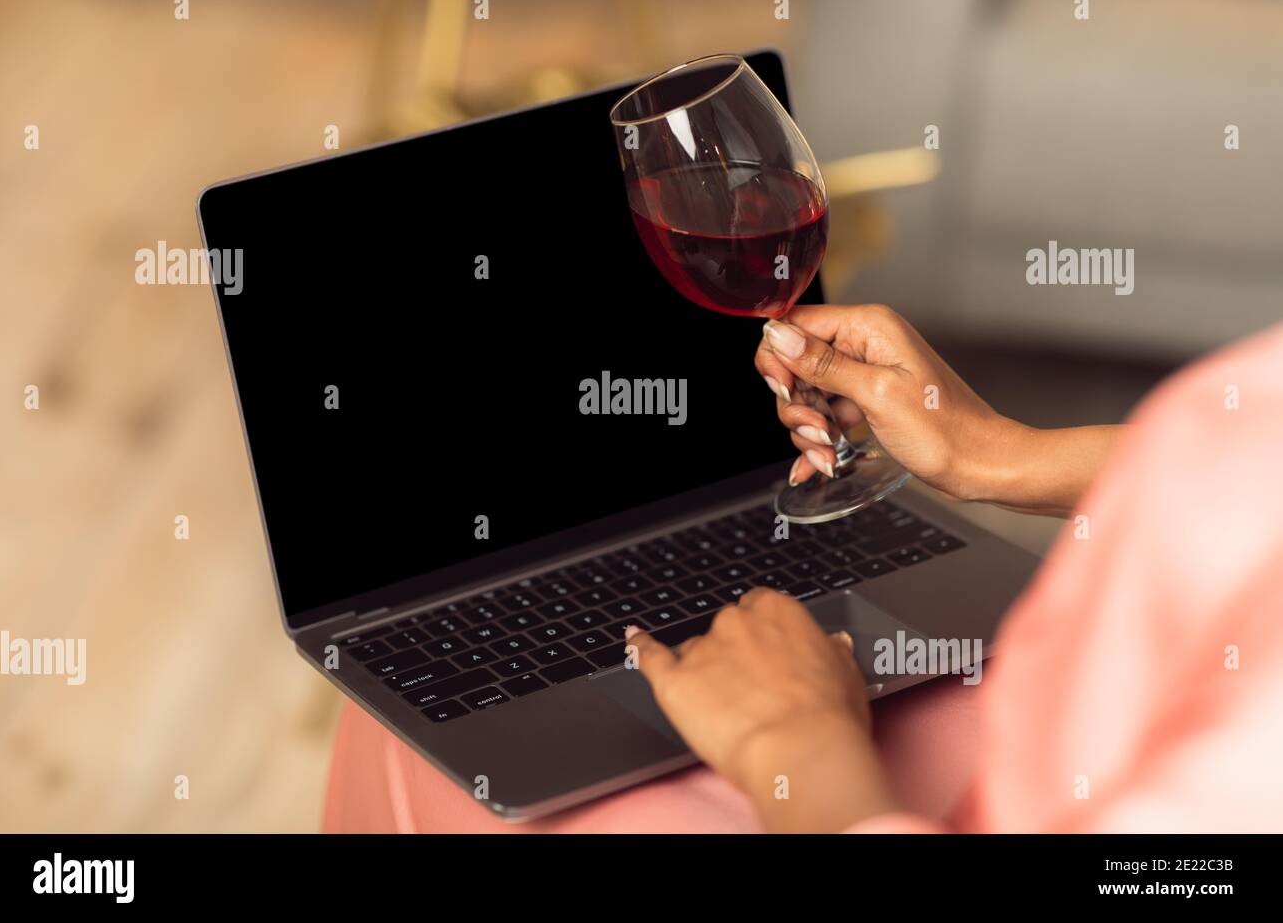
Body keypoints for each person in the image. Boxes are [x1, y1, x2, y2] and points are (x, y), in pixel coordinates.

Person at [325, 305, 1283, 833]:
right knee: (409, 687)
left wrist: (795, 746)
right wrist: (998, 455)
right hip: (1071, 701)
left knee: (466, 774)